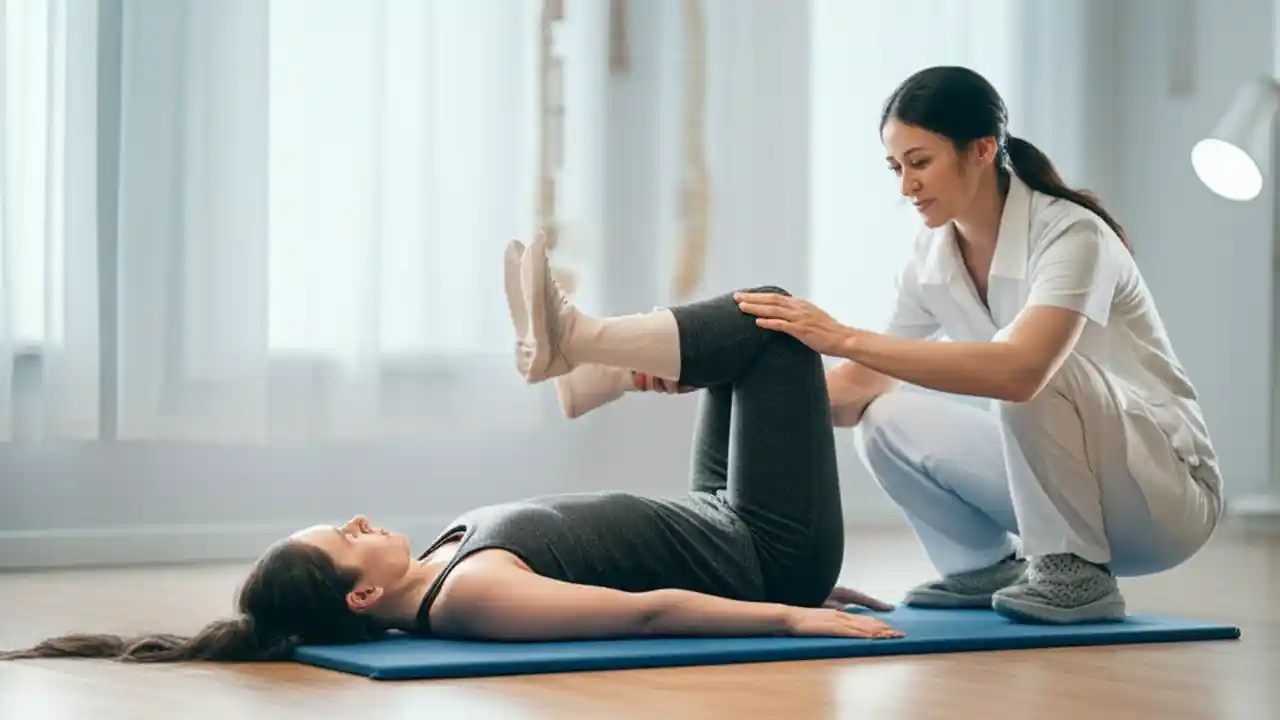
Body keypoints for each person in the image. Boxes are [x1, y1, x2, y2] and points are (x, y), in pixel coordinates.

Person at [2, 235, 900, 664]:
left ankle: (599, 366)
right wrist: (792, 611)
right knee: (775, 318)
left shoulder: (439, 562)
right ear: (361, 592)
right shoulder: (474, 595)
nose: (358, 518)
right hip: (765, 553)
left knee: (739, 349)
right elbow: (647, 613)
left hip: (724, 524)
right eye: (344, 535)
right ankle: (585, 346)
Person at [731, 66, 1223, 624]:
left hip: (1165, 500)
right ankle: (982, 566)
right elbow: (859, 386)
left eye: (920, 163)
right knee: (883, 416)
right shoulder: (931, 258)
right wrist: (738, 391)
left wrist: (842, 336)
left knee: (1030, 364)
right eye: (896, 167)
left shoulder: (1072, 233)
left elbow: (1021, 373)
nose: (905, 186)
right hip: (1079, 492)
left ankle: (1074, 571)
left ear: (983, 149)